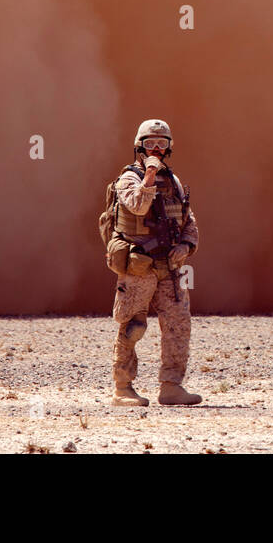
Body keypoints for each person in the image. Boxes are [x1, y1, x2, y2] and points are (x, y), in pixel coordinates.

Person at [108, 119, 201, 406]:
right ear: (139, 146)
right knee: (133, 326)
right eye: (150, 143)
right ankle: (123, 389)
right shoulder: (129, 178)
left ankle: (171, 387)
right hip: (139, 266)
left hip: (169, 268)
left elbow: (188, 219)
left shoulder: (172, 182)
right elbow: (137, 205)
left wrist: (185, 245)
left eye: (162, 143)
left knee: (177, 326)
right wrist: (149, 172)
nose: (157, 149)